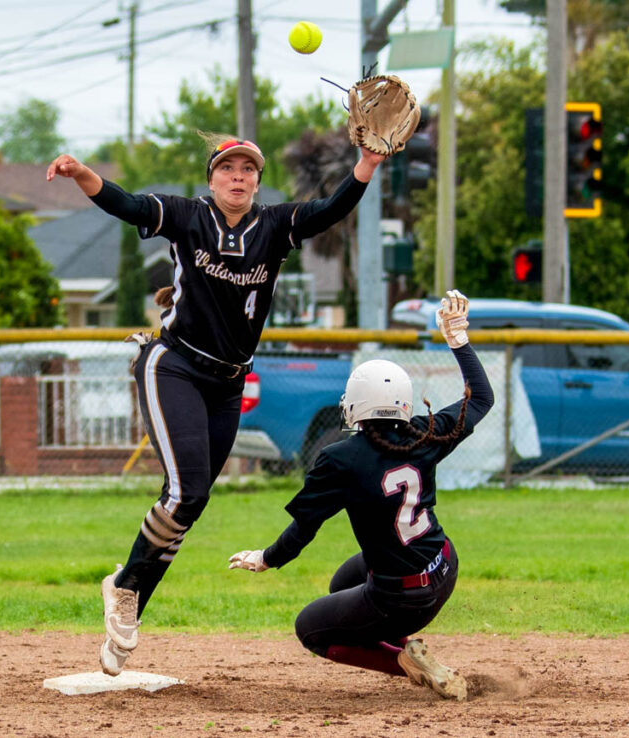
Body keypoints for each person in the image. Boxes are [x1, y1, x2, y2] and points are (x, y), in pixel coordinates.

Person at [45, 136, 384, 676]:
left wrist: (364, 166)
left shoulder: (273, 226)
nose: (239, 176)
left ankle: (125, 594)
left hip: (226, 384)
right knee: (185, 492)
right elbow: (128, 204)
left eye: (249, 168)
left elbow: (329, 210)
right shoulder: (189, 217)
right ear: (212, 179)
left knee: (191, 502)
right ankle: (128, 590)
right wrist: (83, 174)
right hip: (172, 366)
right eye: (228, 167)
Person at [228, 290, 493, 701]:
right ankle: (404, 643)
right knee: (342, 584)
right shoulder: (425, 432)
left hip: (402, 597)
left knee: (310, 630)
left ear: (354, 405)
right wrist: (458, 341)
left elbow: (303, 530)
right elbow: (482, 398)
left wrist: (265, 559)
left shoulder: (341, 458)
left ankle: (405, 660)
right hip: (443, 566)